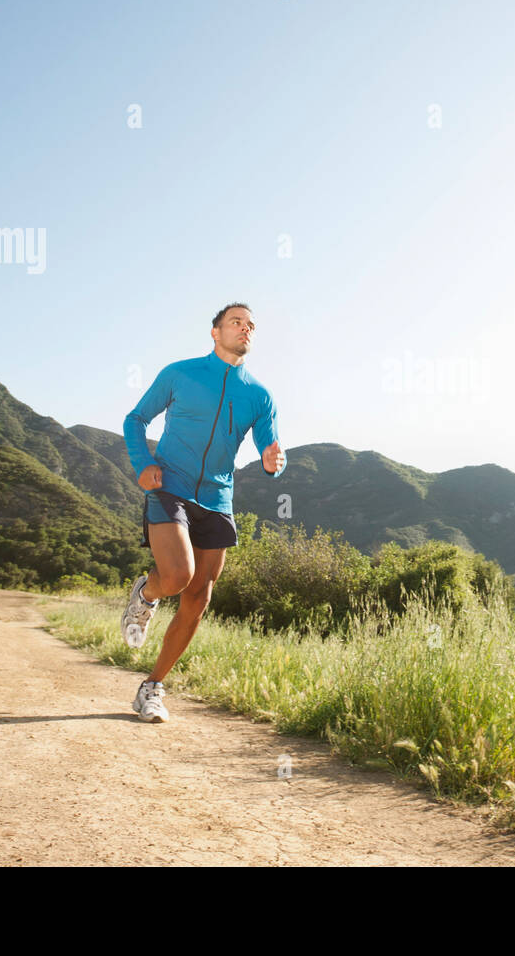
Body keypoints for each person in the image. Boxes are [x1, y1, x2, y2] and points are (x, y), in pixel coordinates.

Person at [120, 302, 287, 721]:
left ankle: (152, 687)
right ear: (215, 332)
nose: (244, 329)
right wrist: (144, 466)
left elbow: (270, 444)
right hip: (169, 486)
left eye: (250, 325)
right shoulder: (180, 373)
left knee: (198, 599)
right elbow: (135, 419)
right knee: (177, 577)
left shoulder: (259, 395)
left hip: (218, 499)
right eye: (236, 322)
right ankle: (146, 593)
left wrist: (272, 461)